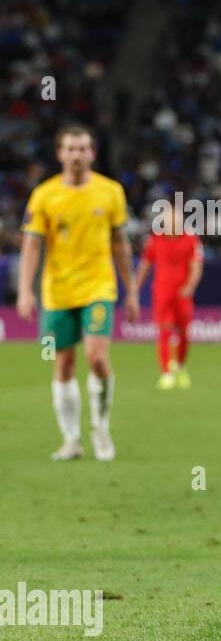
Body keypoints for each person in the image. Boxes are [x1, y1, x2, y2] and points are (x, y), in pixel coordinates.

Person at [17, 125, 138, 461]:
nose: (77, 155)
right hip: (56, 291)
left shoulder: (111, 192)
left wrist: (131, 292)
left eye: (83, 149)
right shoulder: (44, 195)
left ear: (93, 154)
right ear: (59, 154)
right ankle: (71, 439)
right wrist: (25, 290)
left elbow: (121, 244)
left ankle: (100, 427)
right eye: (71, 149)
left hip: (99, 286)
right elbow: (31, 245)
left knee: (97, 358)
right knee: (64, 363)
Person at [136, 203, 203, 390]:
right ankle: (166, 373)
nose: (172, 223)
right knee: (164, 332)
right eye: (169, 220)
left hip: (182, 294)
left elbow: (196, 266)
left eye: (176, 219)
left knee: (184, 333)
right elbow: (145, 264)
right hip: (162, 293)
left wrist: (190, 286)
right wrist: (136, 288)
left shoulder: (191, 240)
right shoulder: (155, 240)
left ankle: (180, 366)